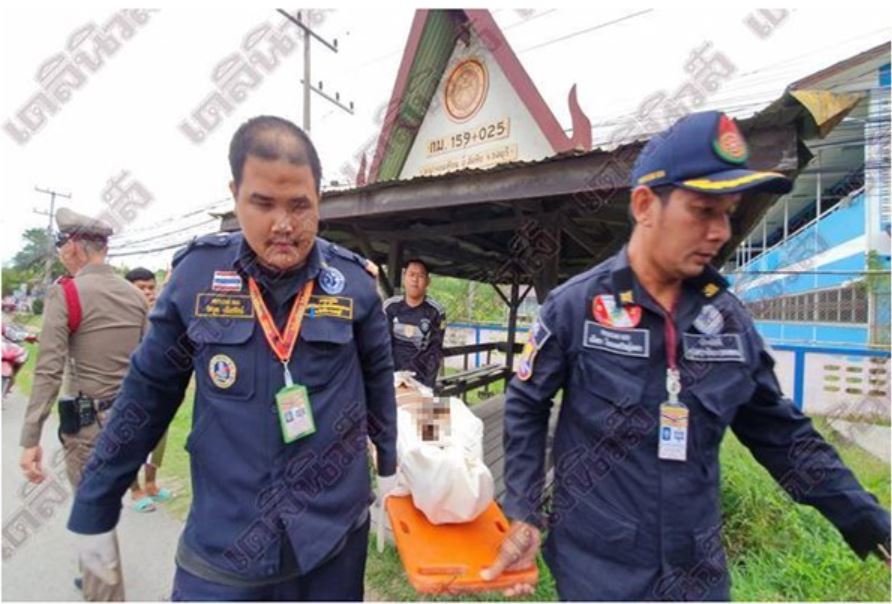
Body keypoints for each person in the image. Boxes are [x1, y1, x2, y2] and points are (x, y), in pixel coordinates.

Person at [483, 111, 891, 600]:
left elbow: (782, 434)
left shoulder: (729, 321)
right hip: (598, 572)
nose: (720, 231)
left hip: (695, 577)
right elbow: (527, 403)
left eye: (728, 213)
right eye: (703, 210)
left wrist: (872, 523)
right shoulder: (577, 308)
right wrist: (525, 510)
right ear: (644, 205)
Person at [67, 115, 397, 601]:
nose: (283, 225)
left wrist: (389, 469)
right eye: (263, 204)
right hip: (226, 547)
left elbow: (378, 381)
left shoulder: (350, 283)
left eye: (300, 206)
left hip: (331, 542)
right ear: (235, 194)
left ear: (319, 199)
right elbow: (147, 394)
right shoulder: (196, 279)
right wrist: (95, 505)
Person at [19, 208, 149, 601]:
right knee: (102, 506)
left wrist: (30, 438)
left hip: (88, 428)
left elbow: (48, 370)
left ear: (74, 247)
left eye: (61, 244)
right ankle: (96, 575)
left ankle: (103, 592)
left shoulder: (68, 292)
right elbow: (147, 367)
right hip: (128, 425)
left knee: (92, 514)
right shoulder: (135, 295)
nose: (60, 252)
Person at [123, 267, 173, 512]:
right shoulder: (122, 316)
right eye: (141, 288)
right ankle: (135, 491)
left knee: (160, 438)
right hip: (132, 387)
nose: (147, 292)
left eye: (151, 287)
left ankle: (152, 484)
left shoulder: (162, 313)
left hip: (160, 387)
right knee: (131, 438)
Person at [384, 258, 446, 388]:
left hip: (420, 377)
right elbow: (383, 343)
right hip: (391, 375)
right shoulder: (390, 306)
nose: (415, 280)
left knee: (424, 407)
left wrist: (426, 385)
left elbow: (434, 351)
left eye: (420, 276)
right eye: (411, 274)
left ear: (427, 281)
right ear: (404, 278)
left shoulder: (436, 312)